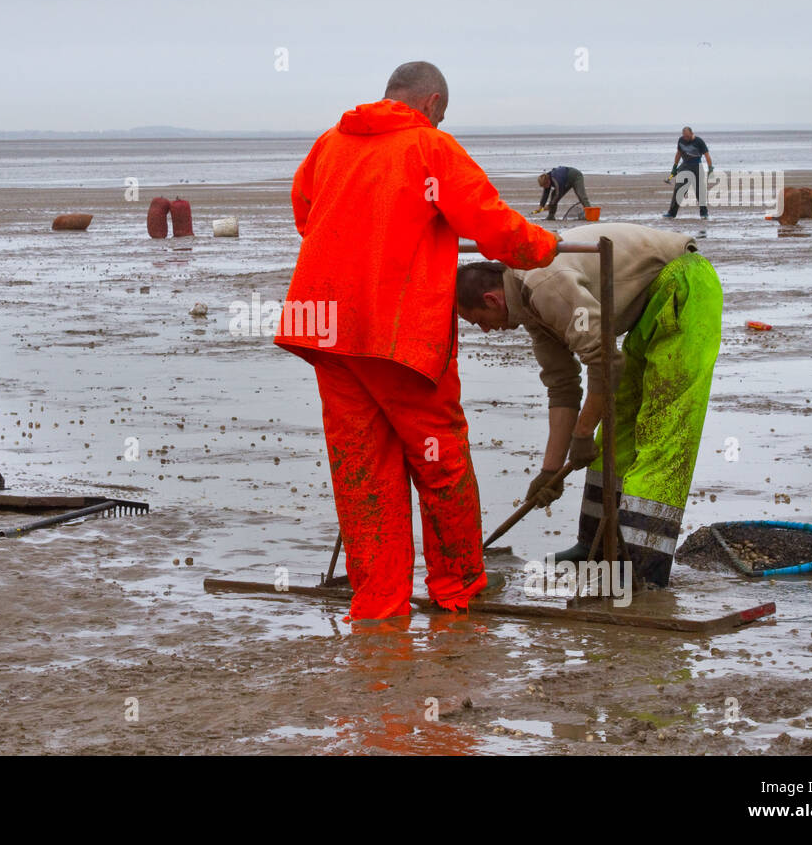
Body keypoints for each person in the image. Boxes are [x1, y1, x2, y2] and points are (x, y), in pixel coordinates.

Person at [274, 61, 559, 621]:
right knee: (440, 460)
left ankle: (379, 600)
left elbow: (304, 213)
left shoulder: (330, 144)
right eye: (442, 113)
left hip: (327, 328)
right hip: (398, 335)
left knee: (362, 466)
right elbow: (491, 223)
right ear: (431, 104)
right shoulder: (431, 147)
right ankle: (457, 587)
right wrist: (544, 247)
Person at [455, 222, 722, 587]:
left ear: (491, 300)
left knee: (664, 428)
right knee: (618, 425)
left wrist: (583, 432)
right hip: (647, 308)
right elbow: (562, 387)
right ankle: (596, 548)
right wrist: (550, 470)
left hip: (684, 284)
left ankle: (642, 567)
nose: (485, 330)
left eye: (478, 322)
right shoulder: (529, 306)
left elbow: (605, 363)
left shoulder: (543, 283)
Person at [664, 126, 714, 219]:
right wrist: (674, 167)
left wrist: (710, 168)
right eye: (684, 136)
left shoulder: (699, 141)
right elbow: (678, 153)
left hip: (697, 167)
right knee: (678, 190)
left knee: (700, 191)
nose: (686, 138)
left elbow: (707, 155)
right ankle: (671, 213)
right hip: (685, 166)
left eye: (687, 136)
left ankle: (704, 214)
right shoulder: (681, 140)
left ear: (691, 134)